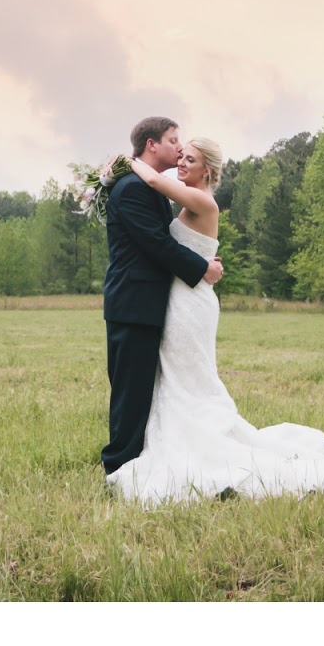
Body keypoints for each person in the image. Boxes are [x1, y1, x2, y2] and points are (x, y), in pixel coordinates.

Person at [105, 134, 324, 506]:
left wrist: (122, 163)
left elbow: (156, 182)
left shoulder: (202, 200)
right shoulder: (187, 199)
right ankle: (166, 438)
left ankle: (203, 441)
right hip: (177, 297)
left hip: (190, 305)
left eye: (190, 159)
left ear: (208, 170)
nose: (182, 163)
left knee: (191, 376)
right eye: (180, 155)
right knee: (174, 376)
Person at [101, 117, 224, 479]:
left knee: (151, 386)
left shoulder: (153, 187)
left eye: (187, 153)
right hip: (134, 303)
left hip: (159, 302)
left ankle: (138, 457)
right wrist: (201, 268)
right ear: (152, 145)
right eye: (174, 142)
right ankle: (119, 466)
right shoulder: (134, 188)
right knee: (132, 390)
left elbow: (166, 239)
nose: (179, 150)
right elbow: (157, 243)